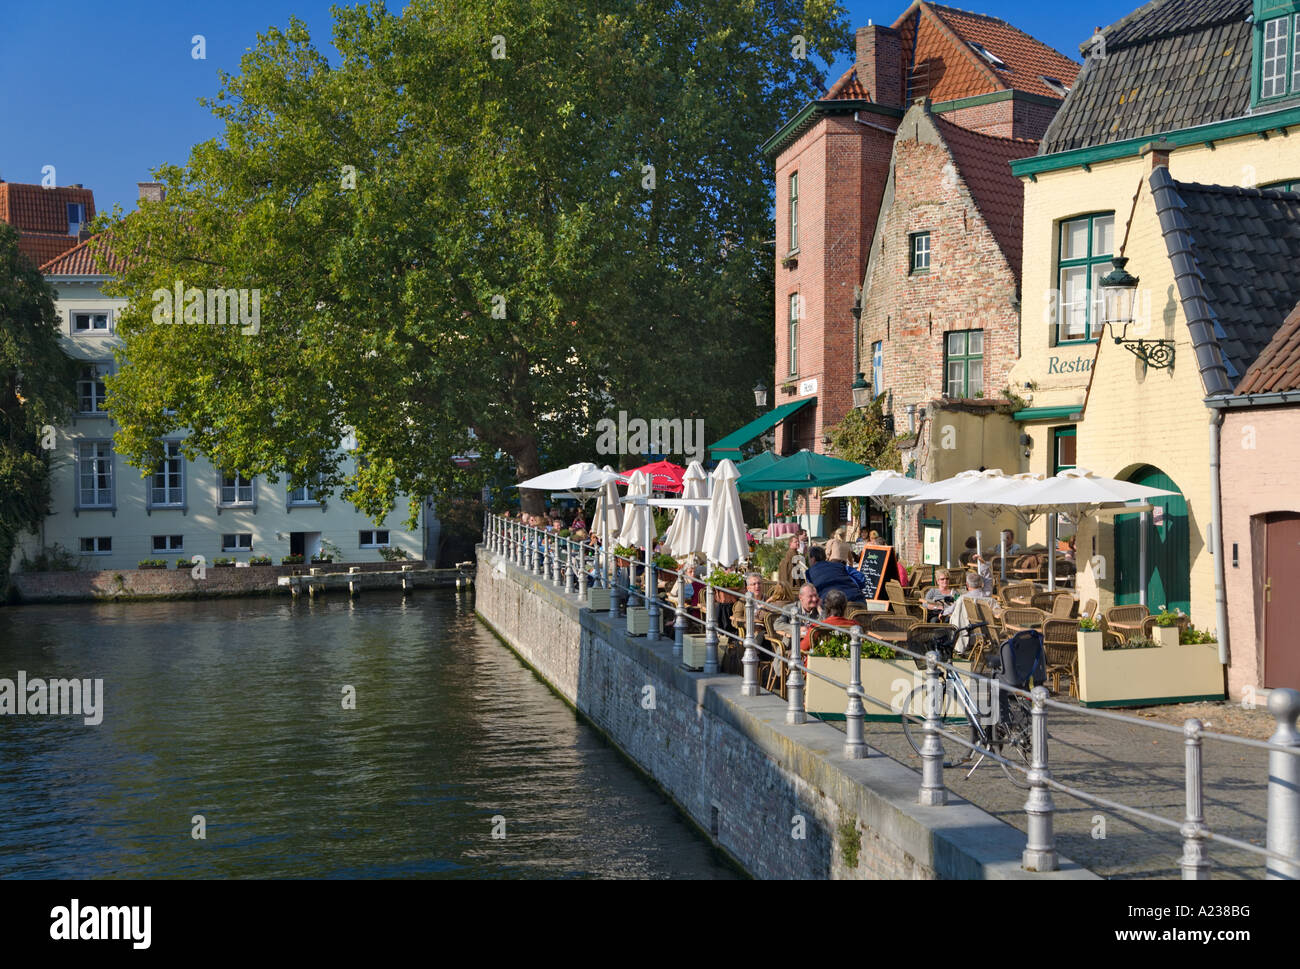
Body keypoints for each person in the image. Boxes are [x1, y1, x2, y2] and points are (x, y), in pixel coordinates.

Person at [800, 589, 858, 655]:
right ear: (844, 607)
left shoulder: (816, 627)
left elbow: (802, 648)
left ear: (827, 608)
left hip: (819, 663)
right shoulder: (855, 626)